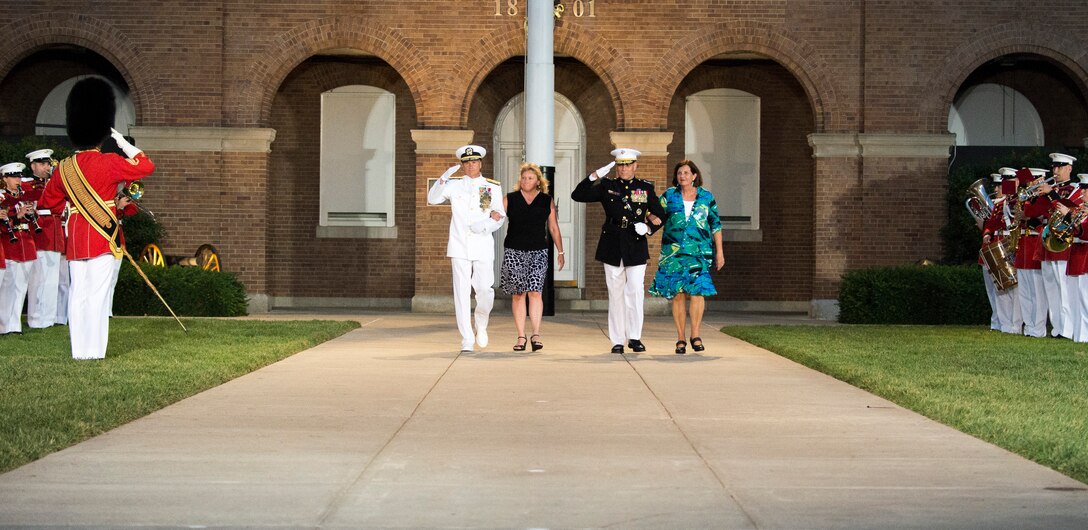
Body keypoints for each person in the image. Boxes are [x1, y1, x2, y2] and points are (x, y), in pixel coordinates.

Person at [38, 77, 155, 360]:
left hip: (76, 237)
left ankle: (79, 351)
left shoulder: (64, 168)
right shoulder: (109, 162)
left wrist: (70, 209)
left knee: (78, 294)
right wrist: (121, 141)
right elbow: (146, 165)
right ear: (102, 131)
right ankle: (94, 351)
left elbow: (48, 205)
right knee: (98, 296)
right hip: (103, 237)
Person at [572, 148, 666, 354]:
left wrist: (648, 228)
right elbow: (577, 195)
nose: (624, 168)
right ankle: (617, 340)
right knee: (616, 295)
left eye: (628, 164)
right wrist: (595, 176)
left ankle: (635, 337)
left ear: (635, 165)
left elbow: (661, 214)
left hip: (635, 243)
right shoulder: (607, 186)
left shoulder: (645, 188)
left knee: (635, 292)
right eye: (620, 165)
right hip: (612, 243)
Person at [426, 144, 505, 353]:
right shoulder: (453, 185)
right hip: (459, 245)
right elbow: (432, 199)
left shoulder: (491, 187)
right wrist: (443, 178)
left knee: (485, 289)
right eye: (467, 162)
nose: (471, 165)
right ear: (462, 165)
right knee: (461, 293)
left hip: (482, 244)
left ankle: (481, 323)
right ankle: (467, 338)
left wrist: (485, 225)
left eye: (474, 162)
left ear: (480, 163)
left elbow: (499, 216)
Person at [649, 160, 724, 354]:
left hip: (699, 254)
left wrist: (720, 252)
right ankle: (681, 338)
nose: (682, 176)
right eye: (679, 173)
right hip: (673, 254)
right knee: (678, 294)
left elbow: (716, 225)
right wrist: (645, 218)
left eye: (686, 173)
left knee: (698, 293)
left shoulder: (706, 197)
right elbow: (655, 215)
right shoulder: (669, 196)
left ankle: (696, 335)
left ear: (694, 176)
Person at [499, 162, 564, 352]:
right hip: (514, 251)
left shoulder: (546, 200)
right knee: (518, 294)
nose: (526, 181)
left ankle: (536, 334)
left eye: (530, 178)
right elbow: (494, 220)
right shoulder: (509, 199)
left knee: (535, 292)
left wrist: (560, 252)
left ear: (538, 181)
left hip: (538, 251)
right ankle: (521, 336)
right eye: (523, 178)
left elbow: (553, 227)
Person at [1034, 153, 1078, 338]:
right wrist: (1035, 196)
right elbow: (1034, 212)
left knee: (1063, 288)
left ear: (1069, 168)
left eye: (1060, 167)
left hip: (1062, 242)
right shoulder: (1052, 189)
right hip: (1048, 241)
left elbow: (1070, 209)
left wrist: (1051, 194)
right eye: (1054, 167)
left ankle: (1068, 329)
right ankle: (1057, 328)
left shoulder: (1075, 189)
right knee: (1051, 288)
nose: (1056, 171)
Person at [24, 149, 65, 329]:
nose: (47, 167)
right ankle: (35, 319)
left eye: (48, 163)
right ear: (33, 166)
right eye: (42, 164)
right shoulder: (27, 184)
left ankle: (49, 318)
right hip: (40, 233)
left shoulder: (54, 183)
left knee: (52, 280)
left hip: (54, 232)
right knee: (38, 279)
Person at [0, 162, 37, 335]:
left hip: (26, 244)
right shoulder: (2, 198)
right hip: (9, 245)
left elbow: (34, 219)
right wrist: (18, 215)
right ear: (5, 179)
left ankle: (14, 325)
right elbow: (3, 223)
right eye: (14, 177)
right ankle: (4, 324)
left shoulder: (24, 197)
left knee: (21, 287)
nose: (18, 180)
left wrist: (31, 214)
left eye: (19, 176)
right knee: (7, 287)